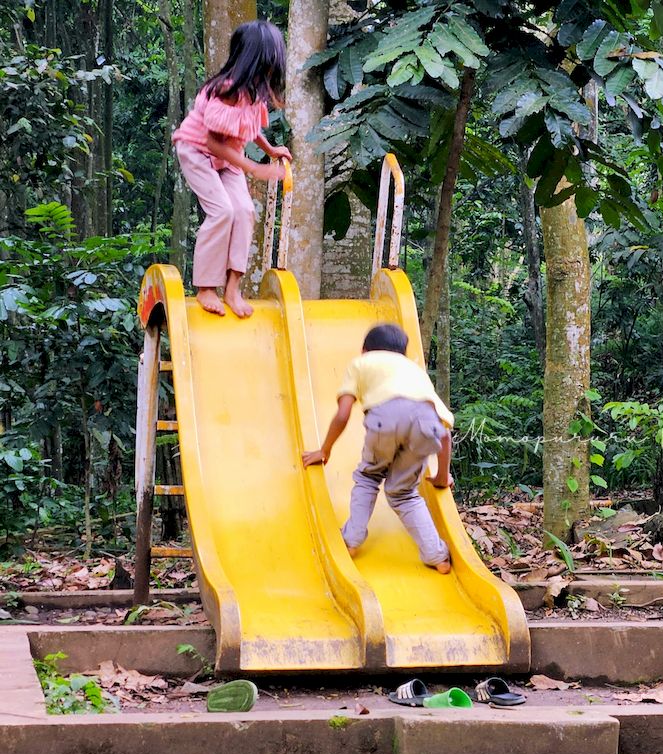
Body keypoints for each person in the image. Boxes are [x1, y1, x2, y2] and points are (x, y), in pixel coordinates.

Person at [302, 324, 455, 574]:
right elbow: (444, 434)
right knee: (404, 493)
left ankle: (351, 540)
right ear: (402, 354)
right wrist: (441, 476)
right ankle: (437, 556)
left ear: (365, 350)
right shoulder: (415, 372)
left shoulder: (362, 363)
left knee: (368, 477)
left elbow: (342, 414)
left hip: (384, 420)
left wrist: (325, 449)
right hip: (427, 427)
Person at [171, 20, 290, 319]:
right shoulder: (224, 90)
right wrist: (254, 168)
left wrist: (270, 150)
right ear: (255, 59)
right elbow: (213, 142)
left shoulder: (255, 91)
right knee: (222, 211)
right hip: (198, 150)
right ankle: (206, 287)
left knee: (245, 212)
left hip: (228, 157)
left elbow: (246, 128)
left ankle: (232, 288)